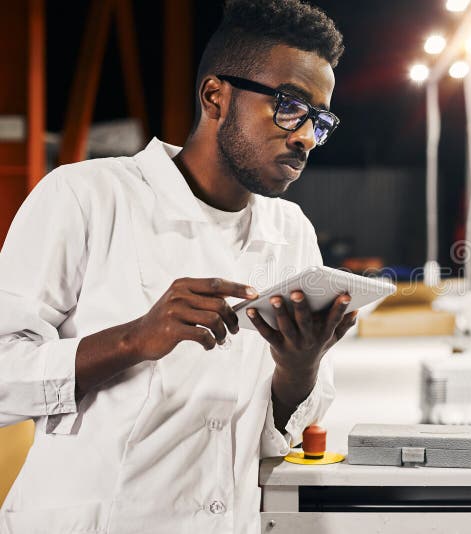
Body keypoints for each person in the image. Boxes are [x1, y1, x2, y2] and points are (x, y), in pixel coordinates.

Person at [0, 1, 353, 532]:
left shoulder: (292, 232)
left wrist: (299, 368)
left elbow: (275, 433)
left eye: (319, 120)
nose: (304, 136)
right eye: (288, 106)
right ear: (216, 97)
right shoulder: (85, 196)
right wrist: (133, 339)